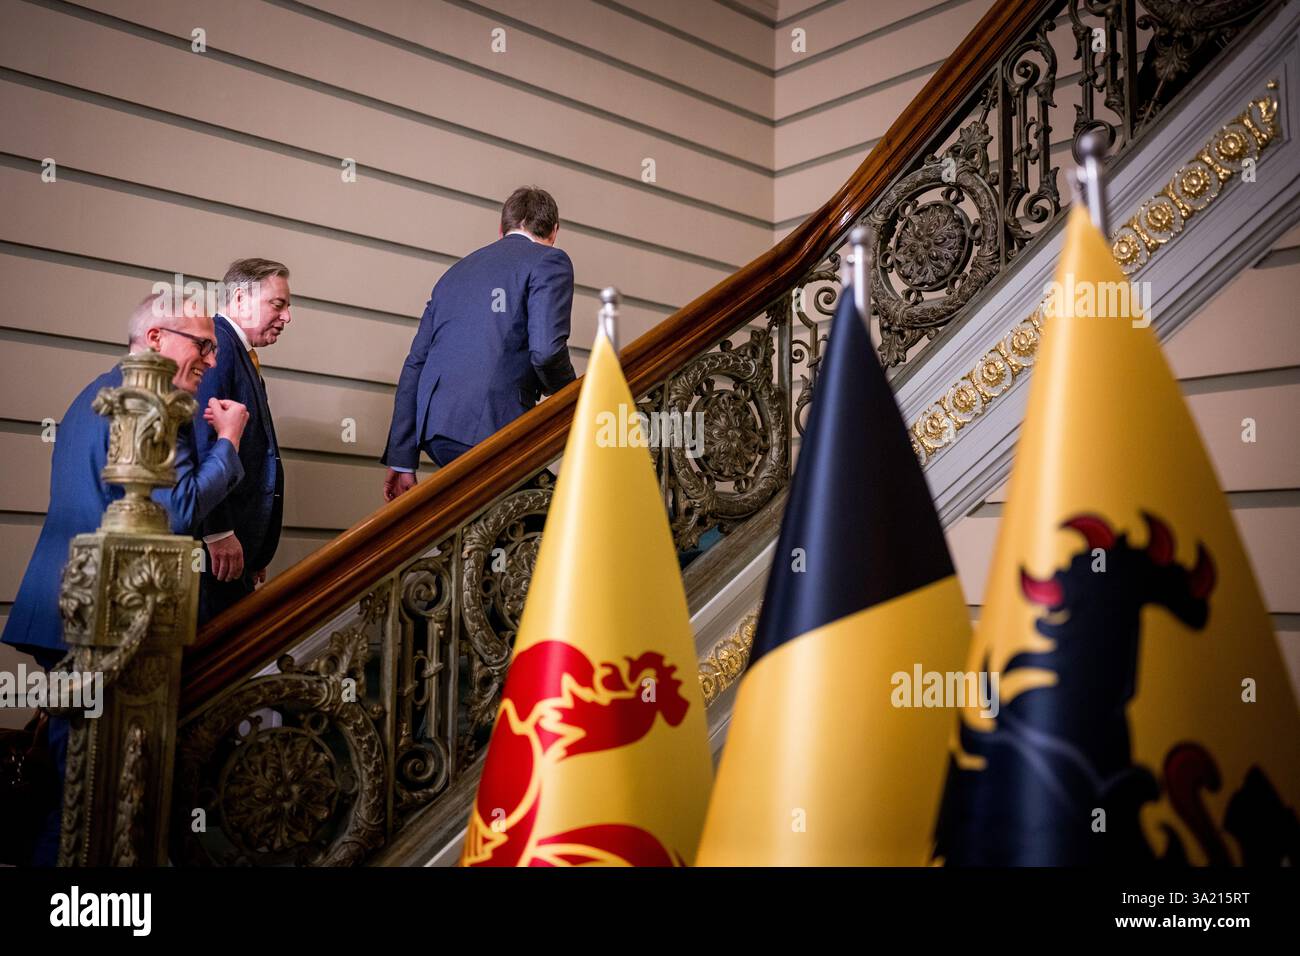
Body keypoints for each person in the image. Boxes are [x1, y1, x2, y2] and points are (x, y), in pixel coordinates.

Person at [1, 291, 249, 865]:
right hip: (111, 617)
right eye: (204, 345)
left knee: (81, 789)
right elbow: (179, 510)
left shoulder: (94, 391)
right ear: (157, 339)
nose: (212, 361)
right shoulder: (154, 400)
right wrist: (229, 441)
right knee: (93, 800)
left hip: (62, 604)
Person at [382, 186, 577, 500]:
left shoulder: (455, 273)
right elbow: (546, 351)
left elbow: (415, 363)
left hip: (437, 432)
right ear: (554, 232)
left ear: (501, 230)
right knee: (549, 520)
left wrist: (403, 457)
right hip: (492, 426)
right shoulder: (550, 261)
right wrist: (573, 397)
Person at [194, 258, 291, 623]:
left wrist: (256, 551)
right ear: (239, 299)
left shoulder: (241, 353)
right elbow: (206, 439)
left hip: (238, 555)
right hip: (215, 554)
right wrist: (218, 531)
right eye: (277, 304)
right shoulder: (218, 345)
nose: (286, 317)